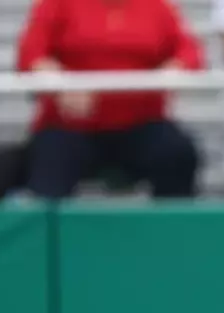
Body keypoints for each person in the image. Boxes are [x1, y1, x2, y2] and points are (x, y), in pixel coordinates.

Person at [15, 0, 206, 200]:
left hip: (141, 124)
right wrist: (60, 84)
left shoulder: (157, 6)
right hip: (70, 127)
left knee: (177, 153)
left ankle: (170, 228)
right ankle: (50, 228)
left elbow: (189, 51)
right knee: (49, 161)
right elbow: (31, 55)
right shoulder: (57, 4)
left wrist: (174, 69)